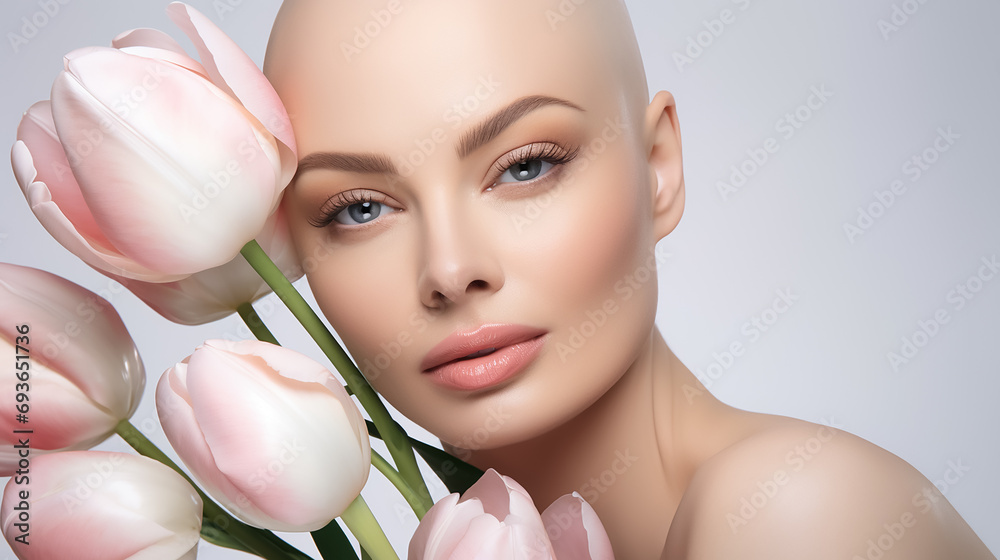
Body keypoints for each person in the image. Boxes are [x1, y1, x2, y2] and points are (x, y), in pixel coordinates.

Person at [264, 1, 994, 558]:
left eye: (526, 165)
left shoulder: (795, 515)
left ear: (658, 169)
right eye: (358, 209)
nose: (451, 272)